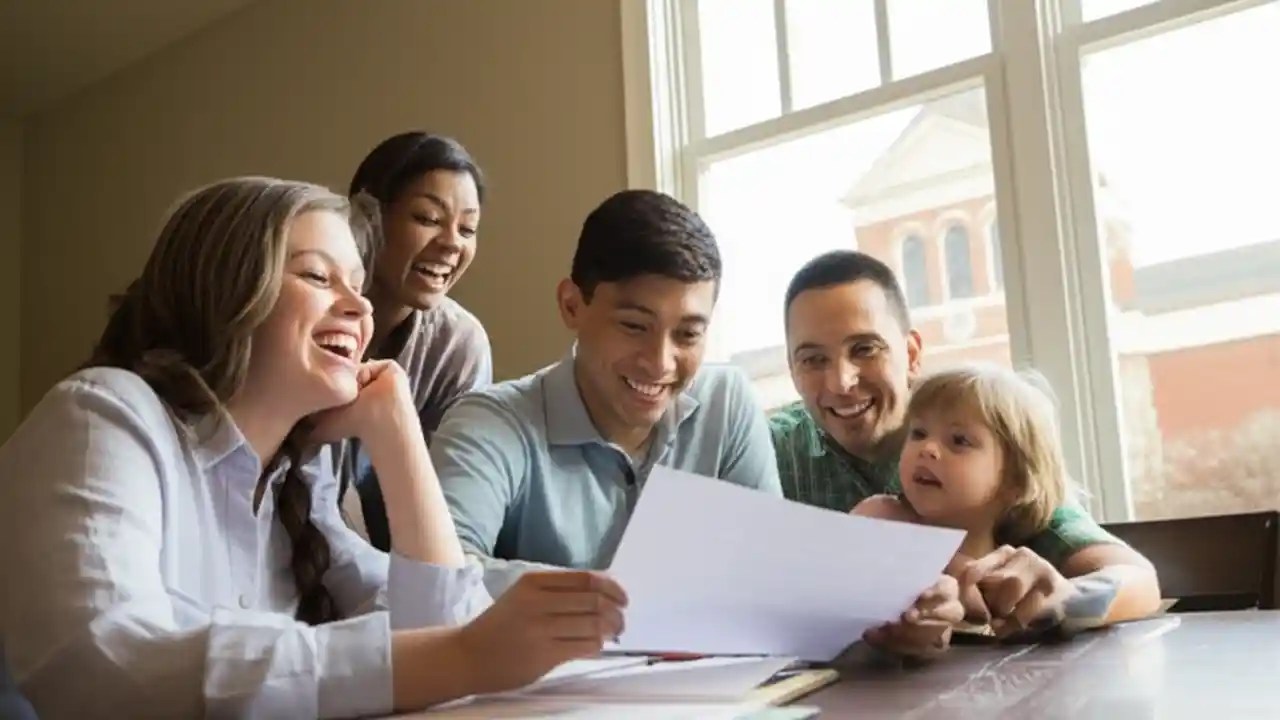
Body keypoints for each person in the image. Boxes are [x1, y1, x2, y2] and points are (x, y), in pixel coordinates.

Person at [0, 177, 625, 719]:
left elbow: (436, 632)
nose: (359, 308)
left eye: (358, 285)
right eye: (318, 276)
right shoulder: (103, 414)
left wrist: (397, 431)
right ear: (224, 289)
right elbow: (104, 666)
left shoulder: (301, 486)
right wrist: (463, 657)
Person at [432, 190, 963, 658]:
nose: (660, 362)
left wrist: (896, 611)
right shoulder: (488, 424)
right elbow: (432, 586)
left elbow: (769, 578)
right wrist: (622, 595)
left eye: (687, 335)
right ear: (573, 305)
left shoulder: (726, 403)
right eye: (635, 326)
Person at [773, 250, 1161, 638]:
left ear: (910, 354)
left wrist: (1063, 600)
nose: (841, 382)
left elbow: (1136, 578)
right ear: (792, 369)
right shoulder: (766, 449)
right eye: (812, 359)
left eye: (865, 349)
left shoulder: (982, 433)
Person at [340, 131, 493, 551]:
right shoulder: (307, 316)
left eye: (468, 228)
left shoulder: (457, 345)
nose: (451, 244)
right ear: (366, 217)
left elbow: (447, 499)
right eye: (427, 218)